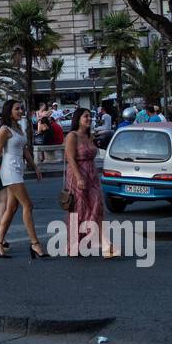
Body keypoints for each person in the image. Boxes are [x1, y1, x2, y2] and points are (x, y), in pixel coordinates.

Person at [0, 99, 47, 259]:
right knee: (27, 205)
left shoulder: (19, 128)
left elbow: (24, 149)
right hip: (9, 169)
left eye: (21, 109)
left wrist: (35, 166)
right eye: (17, 109)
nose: (21, 111)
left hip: (17, 168)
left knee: (12, 208)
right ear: (9, 112)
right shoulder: (4, 130)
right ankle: (35, 244)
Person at [63, 107, 108, 256]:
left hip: (92, 174)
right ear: (78, 119)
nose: (89, 119)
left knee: (97, 206)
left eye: (90, 116)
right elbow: (69, 158)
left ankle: (104, 243)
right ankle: (75, 245)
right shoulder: (72, 136)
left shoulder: (89, 136)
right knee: (79, 210)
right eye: (86, 116)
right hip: (78, 175)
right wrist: (79, 177)